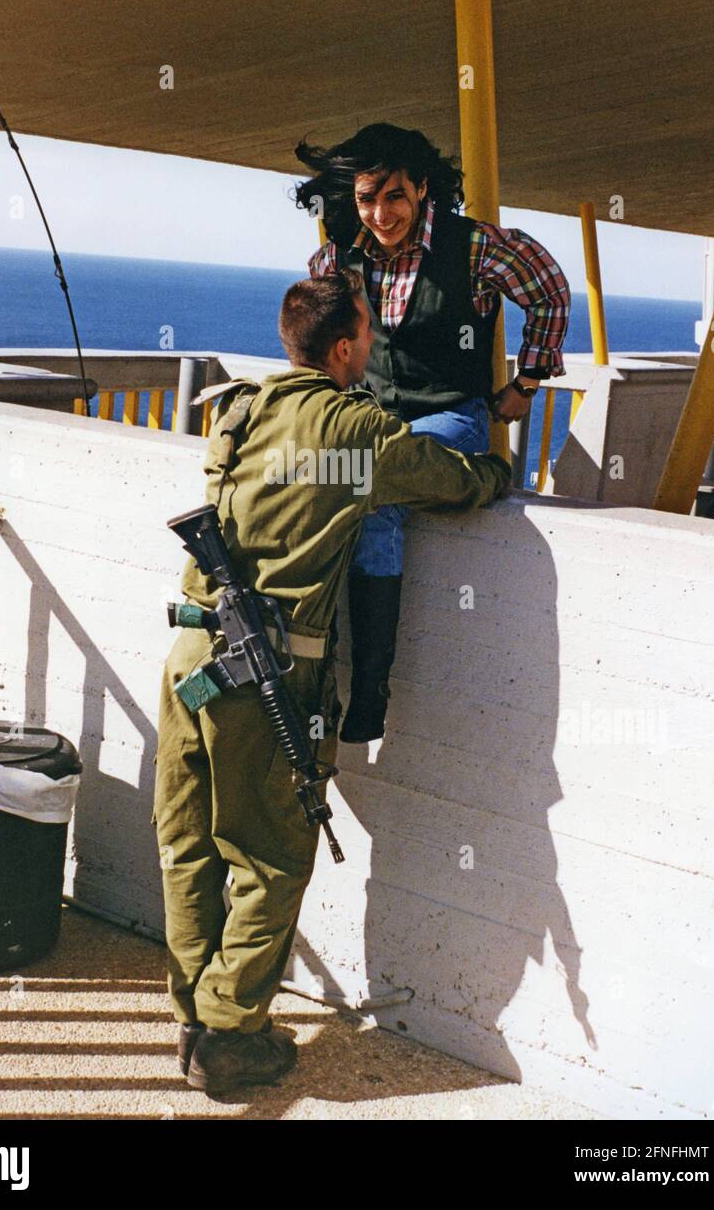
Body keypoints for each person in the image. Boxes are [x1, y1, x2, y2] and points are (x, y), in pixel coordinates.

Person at [153, 269, 511, 1097]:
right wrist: (495, 472)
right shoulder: (356, 432)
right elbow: (452, 483)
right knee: (271, 855)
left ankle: (194, 1016)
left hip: (190, 657)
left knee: (188, 841)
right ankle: (231, 1036)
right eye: (367, 340)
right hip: (272, 671)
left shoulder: (238, 410)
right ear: (346, 347)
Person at [295, 122, 571, 742]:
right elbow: (318, 334)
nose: (381, 213)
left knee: (377, 494)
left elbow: (549, 289)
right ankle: (313, 672)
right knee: (321, 489)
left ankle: (369, 688)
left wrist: (525, 385)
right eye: (367, 199)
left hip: (451, 415)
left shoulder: (473, 246)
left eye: (393, 196)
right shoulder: (342, 256)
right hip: (375, 421)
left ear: (421, 189)